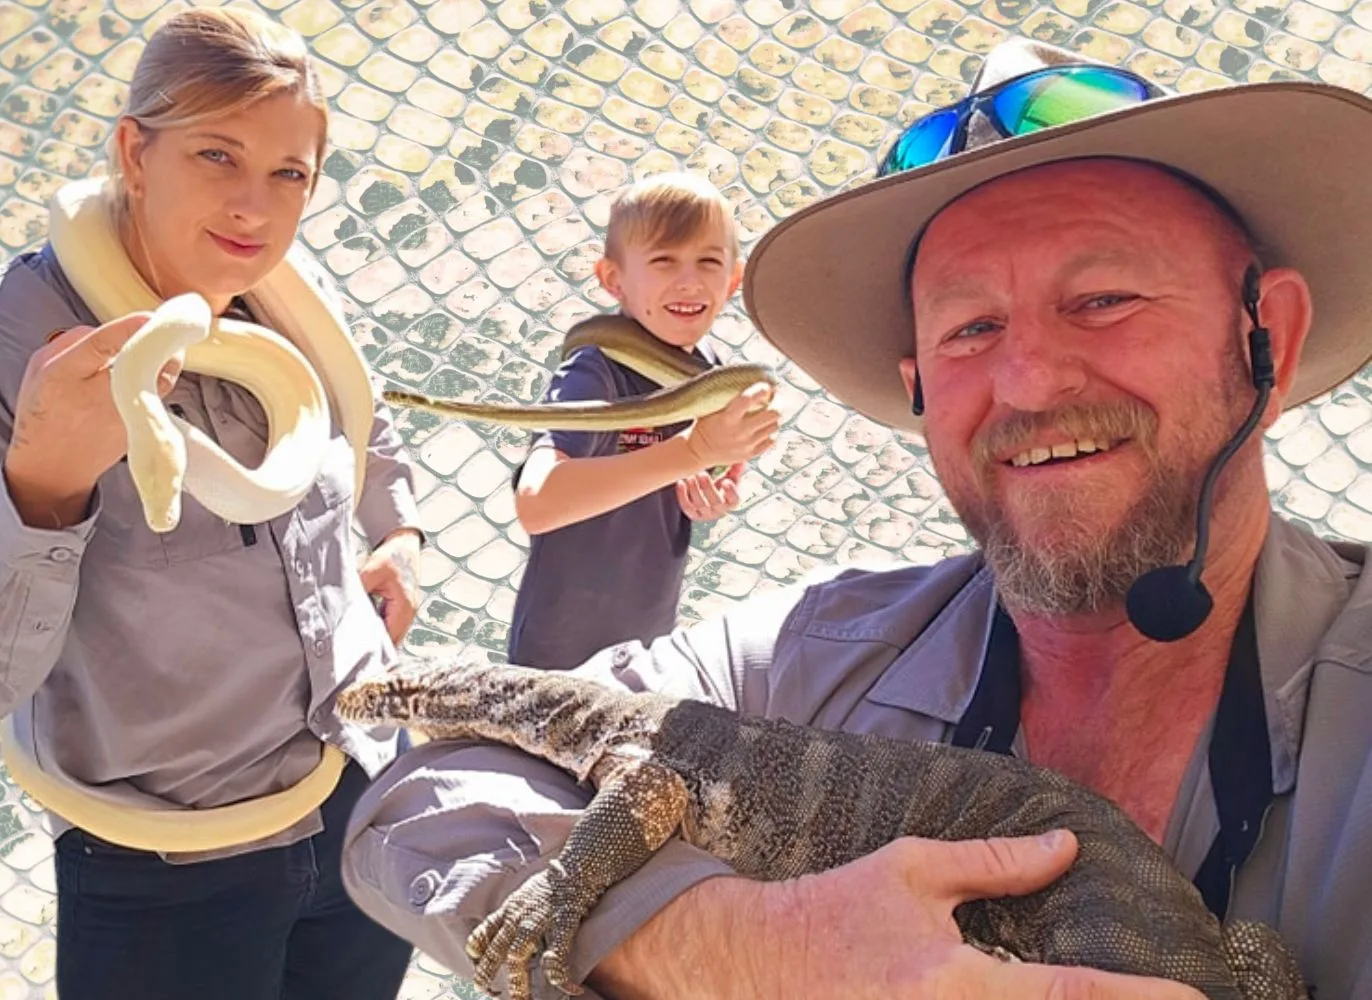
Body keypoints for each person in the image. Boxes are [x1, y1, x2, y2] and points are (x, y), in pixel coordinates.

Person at [337, 38, 1372, 1000]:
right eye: (971, 327)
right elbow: (418, 797)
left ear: (1268, 339)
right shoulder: (799, 659)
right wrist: (738, 947)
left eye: (1104, 299)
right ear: (920, 389)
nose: (1030, 379)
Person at [0, 8, 421, 999]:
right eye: (217, 154)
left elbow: (358, 407)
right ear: (134, 152)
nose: (254, 207)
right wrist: (44, 484)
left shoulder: (287, 293)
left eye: (289, 173)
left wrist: (398, 528)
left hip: (365, 793)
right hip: (171, 866)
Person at [506, 172, 780, 668]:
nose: (689, 281)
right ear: (613, 280)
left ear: (733, 279)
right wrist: (693, 452)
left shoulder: (715, 376)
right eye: (663, 261)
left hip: (648, 646)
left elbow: (713, 474)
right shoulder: (594, 371)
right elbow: (537, 503)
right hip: (558, 654)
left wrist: (713, 491)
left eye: (708, 262)